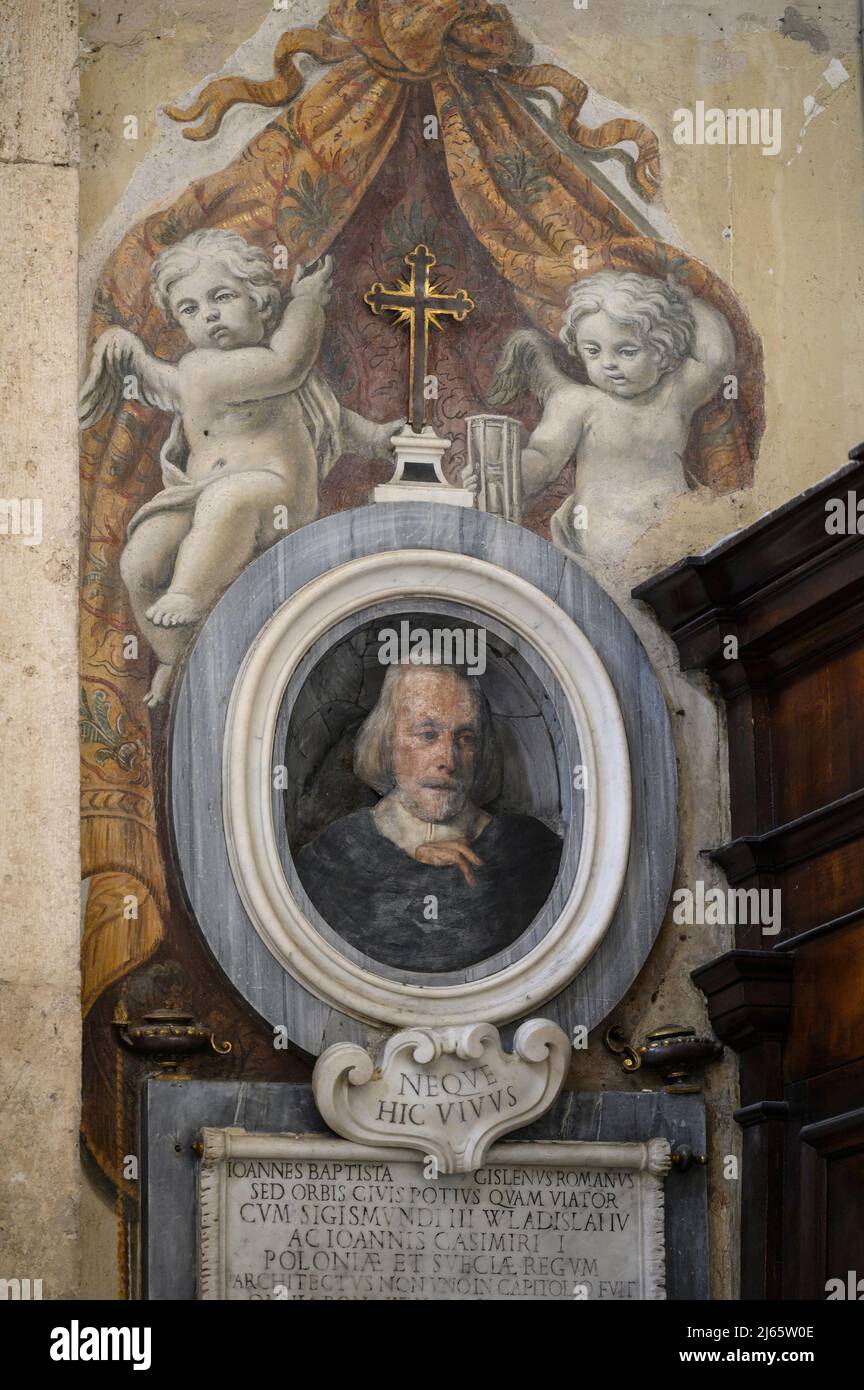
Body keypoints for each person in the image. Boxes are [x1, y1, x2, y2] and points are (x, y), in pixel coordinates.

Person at [79, 230, 401, 705]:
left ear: (263, 304)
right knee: (139, 562)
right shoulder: (202, 369)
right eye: (189, 309)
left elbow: (328, 414)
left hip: (274, 495)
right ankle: (176, 654)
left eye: (222, 297)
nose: (208, 314)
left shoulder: (273, 371)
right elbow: (281, 365)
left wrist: (375, 438)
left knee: (227, 501)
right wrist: (308, 301)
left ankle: (188, 591)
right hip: (197, 493)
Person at [295, 662, 563, 972]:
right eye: (427, 735)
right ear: (387, 742)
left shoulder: (529, 853)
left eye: (465, 738)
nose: (448, 760)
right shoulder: (335, 857)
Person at [482, 270, 736, 559]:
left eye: (626, 352)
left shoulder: (674, 397)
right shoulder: (578, 402)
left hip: (677, 538)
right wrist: (500, 476)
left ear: (663, 352)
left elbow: (717, 358)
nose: (608, 364)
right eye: (592, 351)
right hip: (611, 546)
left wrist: (687, 301)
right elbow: (543, 458)